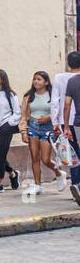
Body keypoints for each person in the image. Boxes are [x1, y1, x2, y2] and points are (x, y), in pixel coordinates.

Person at [20, 70, 61, 192]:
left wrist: (49, 117)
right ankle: (38, 185)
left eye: (39, 79)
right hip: (32, 126)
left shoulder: (53, 95)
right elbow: (23, 116)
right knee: (34, 157)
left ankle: (59, 173)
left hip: (48, 128)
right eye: (34, 79)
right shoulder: (28, 97)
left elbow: (59, 112)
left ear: (46, 82)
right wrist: (23, 131)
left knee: (45, 159)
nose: (36, 81)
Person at [54, 52, 80, 206]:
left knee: (76, 154)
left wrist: (64, 126)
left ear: (69, 64)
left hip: (76, 123)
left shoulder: (71, 81)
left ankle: (77, 184)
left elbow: (67, 104)